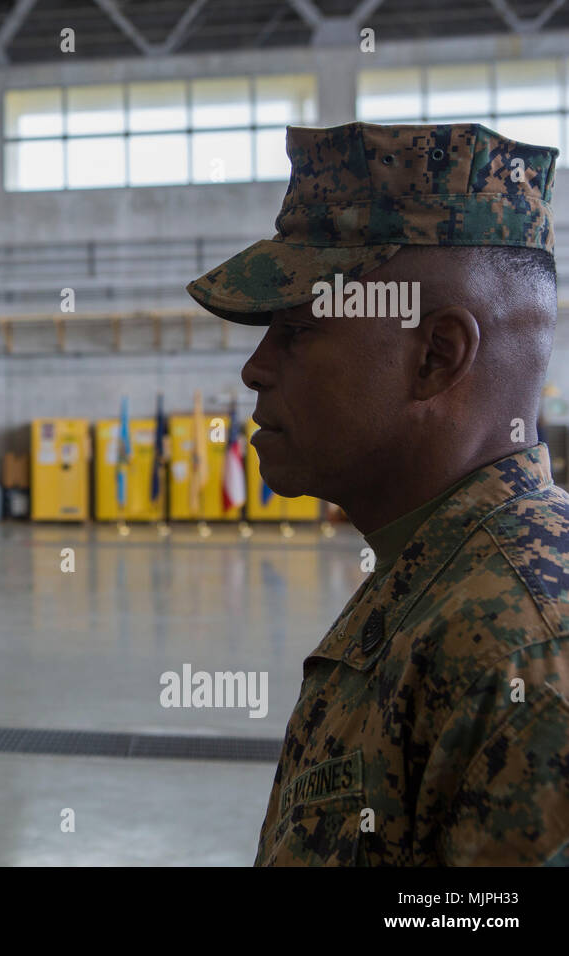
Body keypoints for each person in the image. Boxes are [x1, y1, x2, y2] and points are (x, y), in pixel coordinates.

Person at [186, 121, 569, 865]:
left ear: (435, 357)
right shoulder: (436, 579)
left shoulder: (528, 648)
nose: (255, 370)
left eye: (296, 332)